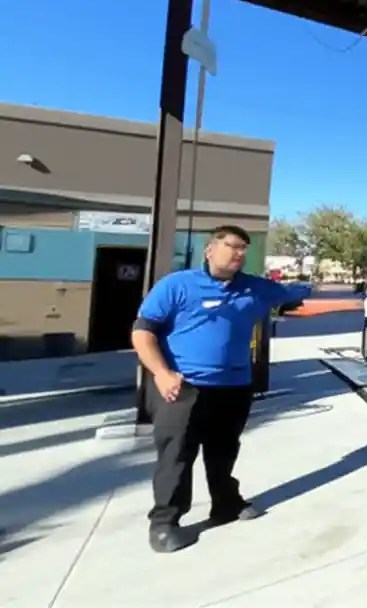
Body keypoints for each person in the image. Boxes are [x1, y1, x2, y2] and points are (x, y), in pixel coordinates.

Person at [131, 224, 306, 553]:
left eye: (244, 248)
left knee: (224, 451)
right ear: (210, 249)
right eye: (233, 246)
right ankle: (165, 524)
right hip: (182, 387)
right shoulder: (177, 285)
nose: (240, 253)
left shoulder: (255, 289)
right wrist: (162, 373)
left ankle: (225, 503)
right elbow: (143, 332)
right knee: (177, 456)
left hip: (234, 387)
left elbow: (296, 293)